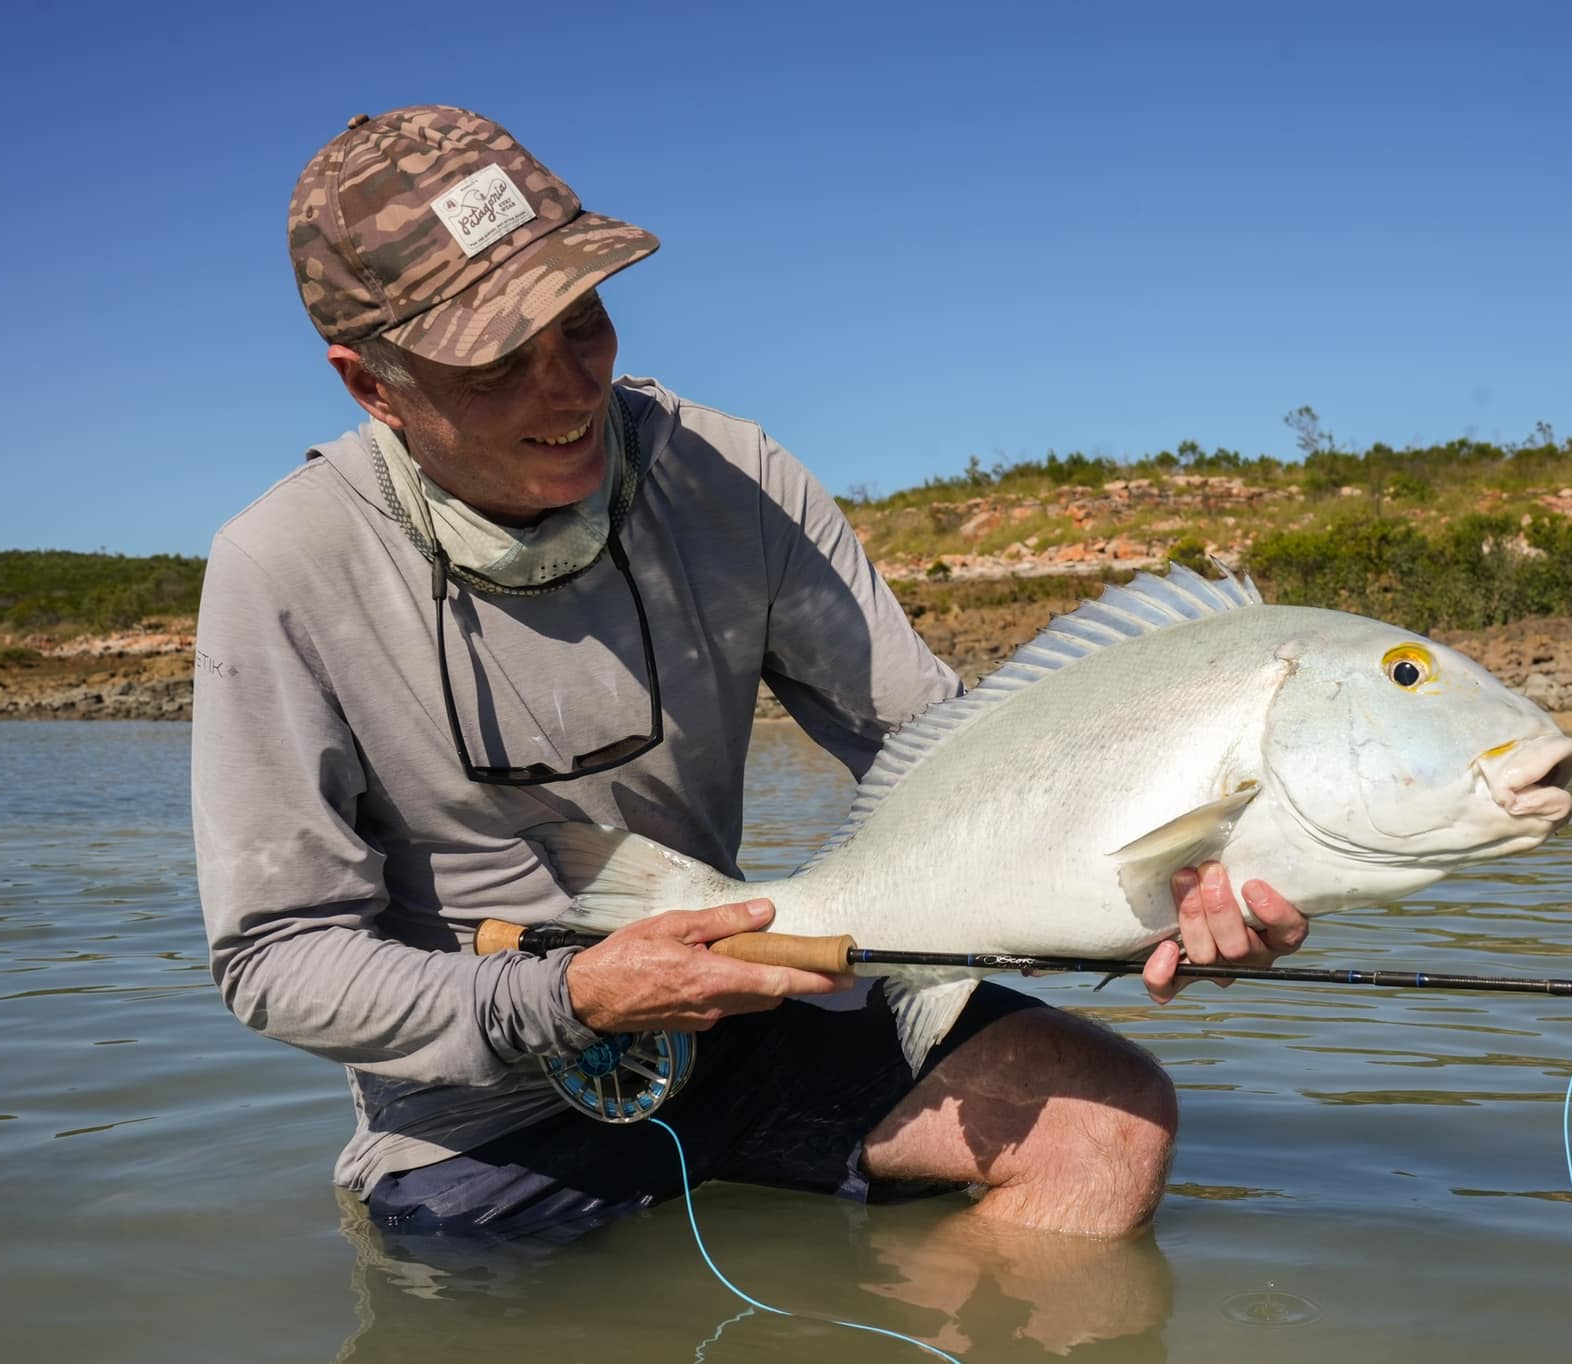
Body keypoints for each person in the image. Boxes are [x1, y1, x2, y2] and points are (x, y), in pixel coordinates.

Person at [193, 104, 1307, 1244]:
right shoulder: (280, 568)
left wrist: (1177, 879)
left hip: (747, 987)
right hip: (478, 1102)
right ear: (371, 387)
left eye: (583, 320)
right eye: (493, 364)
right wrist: (567, 994)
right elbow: (277, 958)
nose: (569, 388)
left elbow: (965, 756)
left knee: (1110, 1122)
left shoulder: (737, 477)